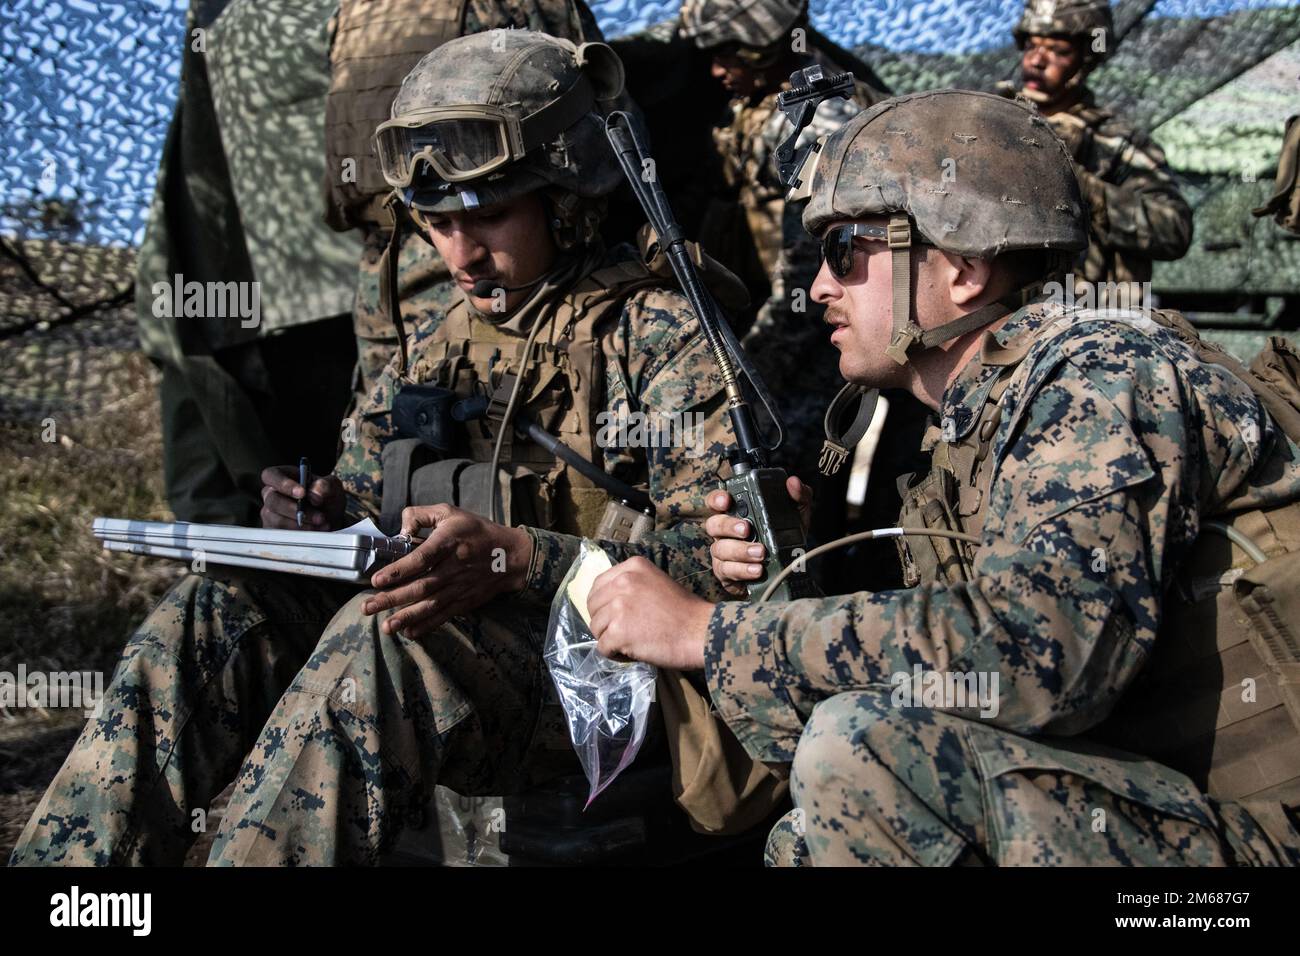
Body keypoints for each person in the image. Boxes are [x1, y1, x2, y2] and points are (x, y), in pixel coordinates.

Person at [10, 31, 737, 867]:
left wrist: (519, 559)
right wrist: (315, 517)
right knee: (208, 615)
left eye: (489, 217)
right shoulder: (433, 343)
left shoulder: (664, 337)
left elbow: (724, 577)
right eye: (434, 224)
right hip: (448, 649)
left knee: (386, 638)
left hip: (598, 685)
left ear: (566, 195)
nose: (459, 256)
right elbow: (361, 500)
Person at [581, 88, 1300, 866]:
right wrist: (767, 594)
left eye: (844, 252)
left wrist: (708, 635)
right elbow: (948, 690)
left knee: (865, 755)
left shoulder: (1097, 373)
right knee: (806, 832)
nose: (821, 286)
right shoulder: (967, 439)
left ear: (962, 271)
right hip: (1166, 815)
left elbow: (1040, 659)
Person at [325, 0, 603, 405]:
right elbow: (588, 114)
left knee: (398, 420)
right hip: (475, 255)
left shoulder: (351, 12)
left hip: (385, 267)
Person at [1005, 0, 1192, 288]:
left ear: (1086, 58)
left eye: (1058, 50)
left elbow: (1174, 231)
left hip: (1087, 315)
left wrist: (1082, 188)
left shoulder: (1116, 142)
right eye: (1031, 46)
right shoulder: (998, 122)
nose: (1036, 61)